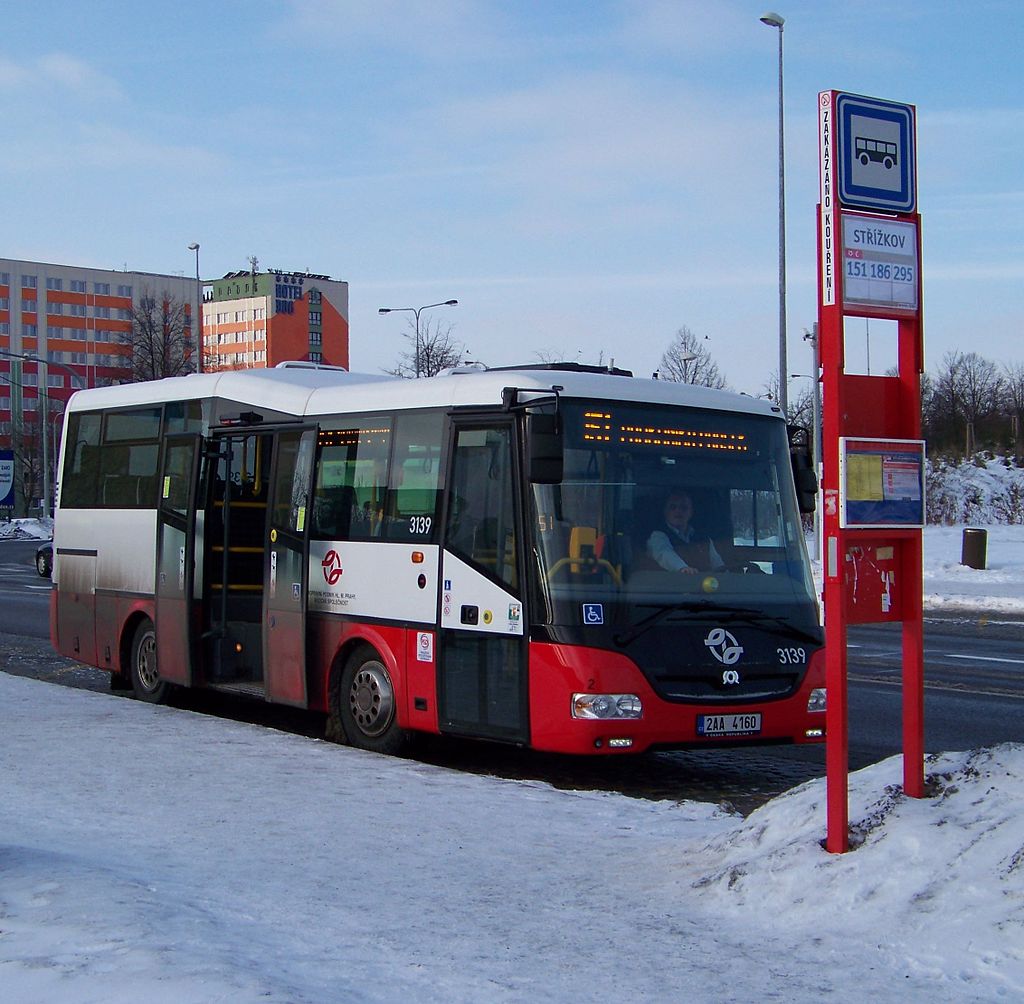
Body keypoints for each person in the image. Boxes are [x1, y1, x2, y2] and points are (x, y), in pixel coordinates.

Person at [646, 490, 725, 574]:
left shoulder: (704, 539)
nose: (678, 511)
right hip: (669, 585)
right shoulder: (657, 536)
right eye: (673, 507)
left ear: (691, 512)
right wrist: (683, 568)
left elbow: (718, 565)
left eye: (684, 507)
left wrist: (725, 573)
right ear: (665, 511)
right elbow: (664, 553)